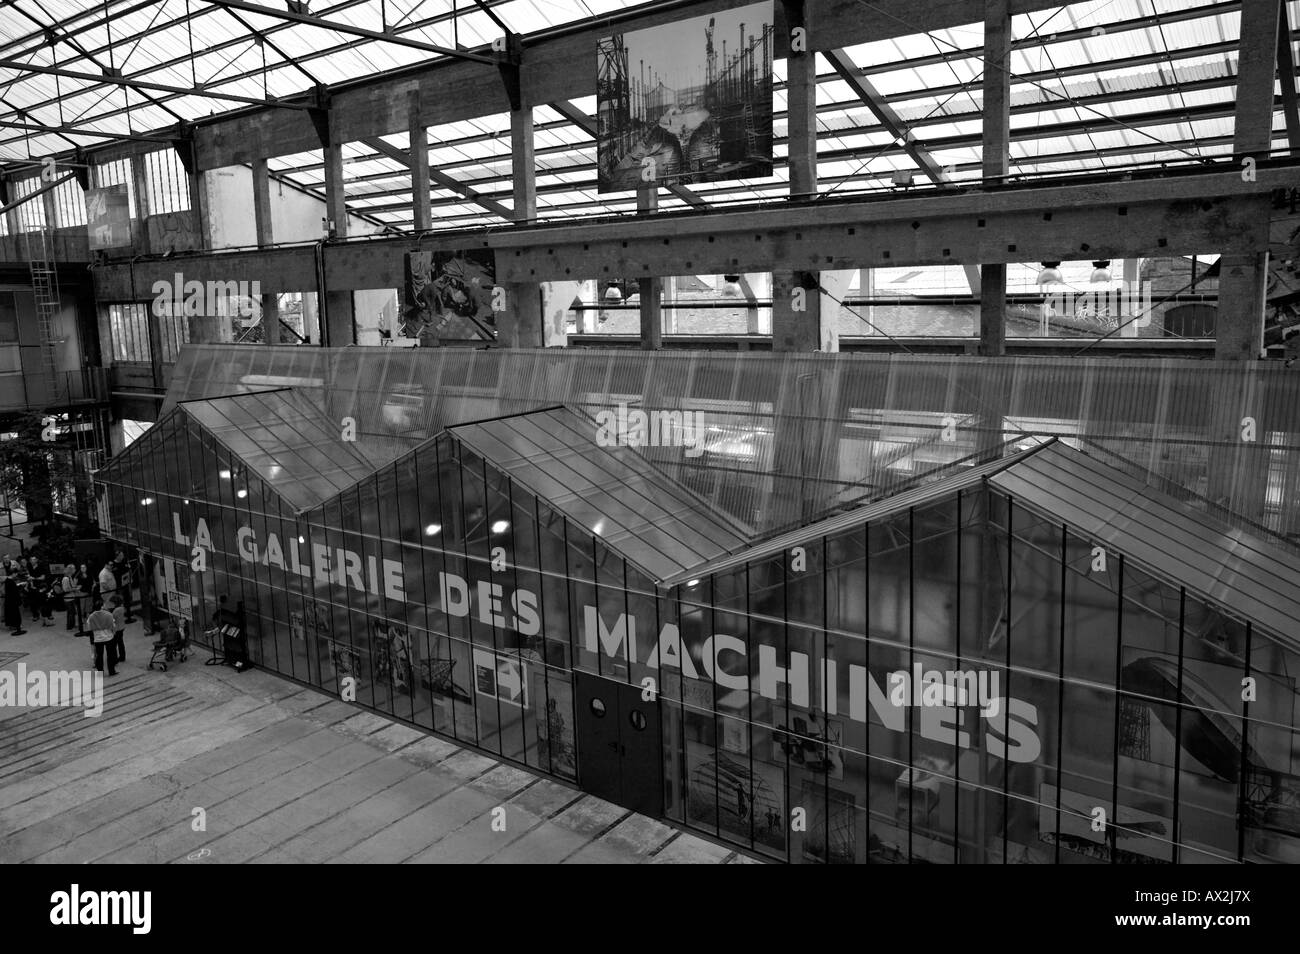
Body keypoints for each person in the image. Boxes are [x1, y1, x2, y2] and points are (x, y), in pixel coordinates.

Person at [86, 601, 117, 676]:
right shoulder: (108, 614)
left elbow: (89, 627)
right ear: (102, 606)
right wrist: (113, 633)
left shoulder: (91, 616)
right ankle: (111, 671)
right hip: (109, 637)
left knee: (99, 655)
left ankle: (100, 672)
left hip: (98, 638)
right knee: (110, 654)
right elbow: (113, 626)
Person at [64, 564, 88, 631]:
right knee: (71, 613)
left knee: (71, 613)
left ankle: (71, 626)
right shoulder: (66, 578)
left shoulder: (70, 577)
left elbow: (71, 587)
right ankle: (70, 627)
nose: (75, 570)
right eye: (74, 568)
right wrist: (76, 589)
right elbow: (65, 589)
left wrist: (75, 588)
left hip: (71, 597)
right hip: (68, 598)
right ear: (70, 570)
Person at [110, 593, 127, 666]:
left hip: (116, 629)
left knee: (114, 644)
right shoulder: (122, 608)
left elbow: (112, 619)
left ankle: (115, 659)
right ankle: (122, 656)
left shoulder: (115, 611)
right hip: (122, 627)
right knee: (121, 642)